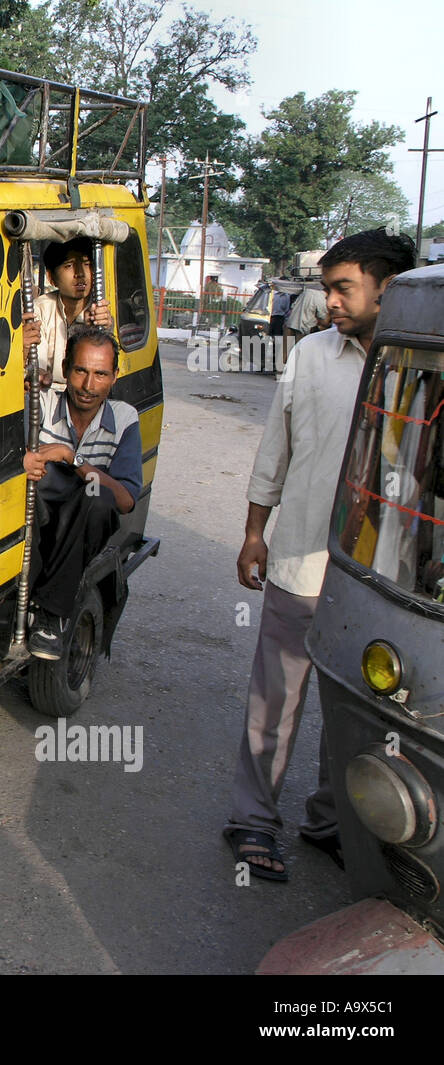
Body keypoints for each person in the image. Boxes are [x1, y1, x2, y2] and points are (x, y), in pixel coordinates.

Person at [223, 228, 417, 882]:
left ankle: (332, 821)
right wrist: (255, 531)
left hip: (382, 582)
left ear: (386, 288)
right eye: (327, 288)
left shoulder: (420, 370)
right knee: (275, 699)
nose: (329, 301)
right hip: (299, 568)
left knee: (358, 714)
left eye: (343, 287)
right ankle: (254, 820)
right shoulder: (310, 354)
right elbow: (274, 450)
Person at [22, 326, 142, 659]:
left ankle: (52, 617)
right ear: (65, 369)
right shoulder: (41, 404)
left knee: (97, 496)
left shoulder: (124, 418)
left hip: (82, 530)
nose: (89, 386)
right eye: (81, 371)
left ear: (115, 376)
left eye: (101, 374)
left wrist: (70, 458)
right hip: (40, 517)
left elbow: (126, 499)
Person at [23, 237, 113, 389]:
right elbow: (38, 364)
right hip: (48, 393)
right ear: (51, 278)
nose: (80, 273)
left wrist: (104, 331)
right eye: (69, 265)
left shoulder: (100, 313)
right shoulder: (40, 309)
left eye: (87, 264)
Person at [282, 284, 329, 367]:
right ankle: (296, 372)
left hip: (290, 324)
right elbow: (323, 318)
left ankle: (281, 372)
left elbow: (293, 306)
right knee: (300, 352)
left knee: (286, 350)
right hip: (304, 328)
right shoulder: (321, 299)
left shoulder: (305, 292)